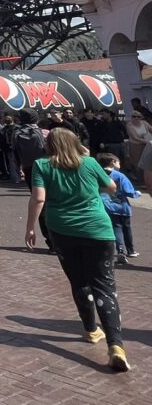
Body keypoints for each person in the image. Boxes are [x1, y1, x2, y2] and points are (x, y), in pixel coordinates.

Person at [26, 128, 128, 371]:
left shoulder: (42, 165)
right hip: (97, 230)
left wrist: (31, 227)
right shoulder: (90, 162)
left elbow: (38, 198)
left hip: (62, 230)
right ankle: (116, 345)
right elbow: (111, 187)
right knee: (104, 285)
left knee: (79, 281)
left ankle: (91, 330)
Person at [98, 153, 140, 264]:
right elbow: (128, 191)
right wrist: (137, 193)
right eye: (118, 162)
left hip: (107, 206)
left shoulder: (99, 175)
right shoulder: (120, 176)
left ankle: (120, 250)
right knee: (127, 228)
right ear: (112, 162)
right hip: (122, 207)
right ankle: (131, 250)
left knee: (116, 228)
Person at [124, 112, 152, 190]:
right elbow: (135, 137)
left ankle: (147, 181)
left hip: (147, 145)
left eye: (138, 116)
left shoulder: (144, 123)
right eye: (134, 116)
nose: (136, 118)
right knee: (138, 164)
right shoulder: (129, 125)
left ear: (141, 117)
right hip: (136, 146)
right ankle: (141, 182)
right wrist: (148, 142)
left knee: (147, 163)